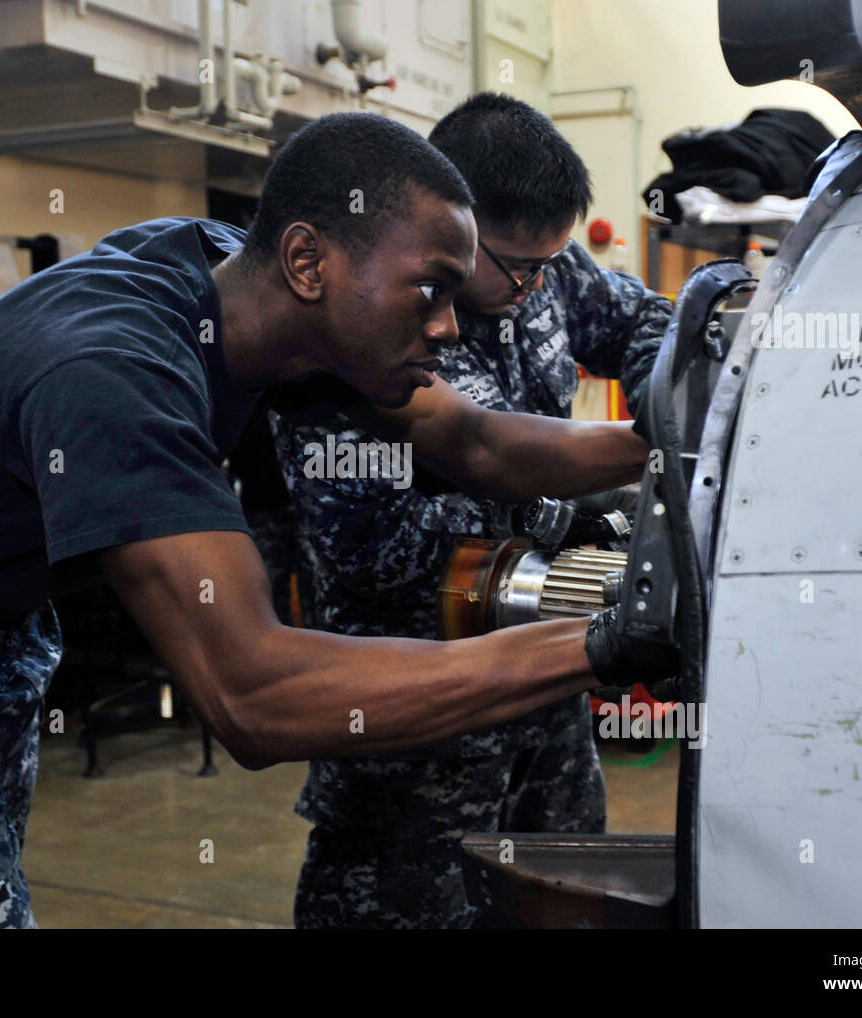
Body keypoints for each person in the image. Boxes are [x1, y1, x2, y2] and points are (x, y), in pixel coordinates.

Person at [0, 111, 672, 929]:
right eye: (429, 287)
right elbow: (253, 695)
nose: (451, 326)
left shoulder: (255, 291)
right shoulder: (116, 372)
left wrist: (676, 437)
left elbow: (479, 443)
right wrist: (606, 641)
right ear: (308, 260)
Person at [270, 94, 674, 928]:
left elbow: (643, 321)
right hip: (416, 735)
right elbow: (378, 554)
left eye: (545, 267)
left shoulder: (542, 273)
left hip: (546, 707)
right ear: (451, 217)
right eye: (514, 265)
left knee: (562, 904)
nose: (531, 288)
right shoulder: (362, 322)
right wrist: (589, 520)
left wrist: (672, 399)